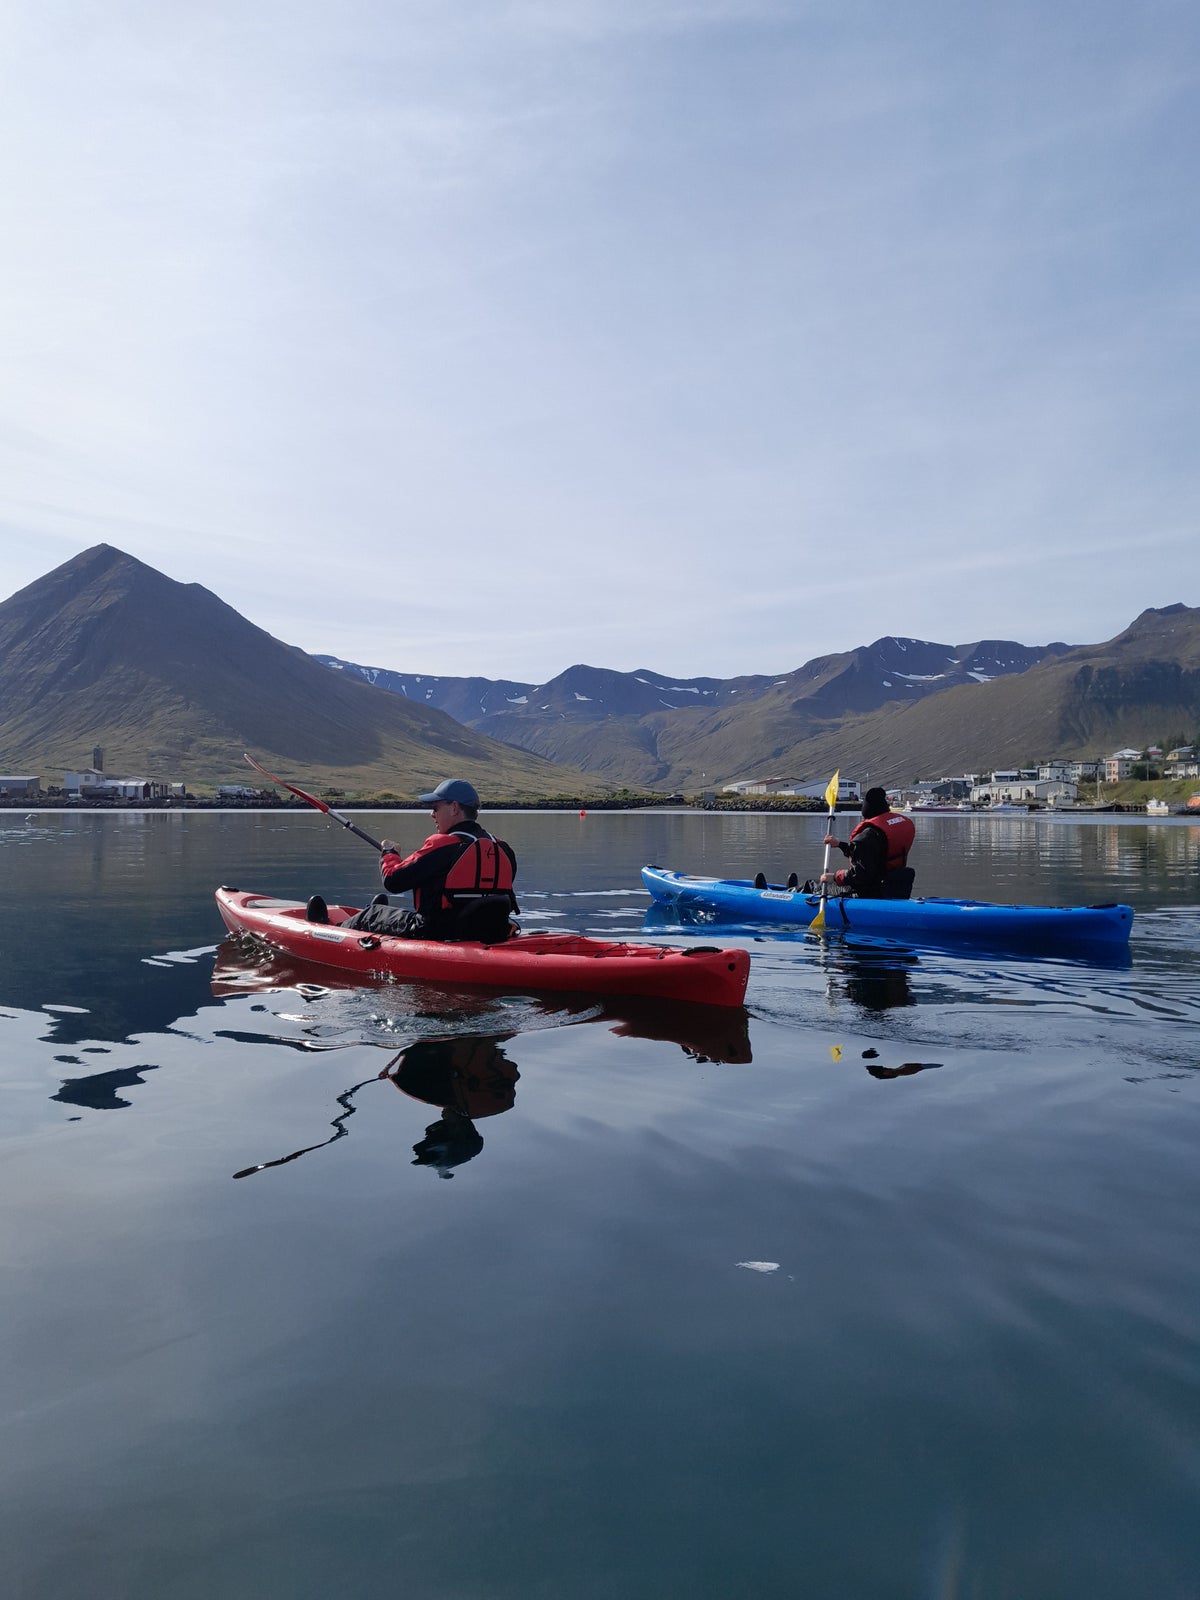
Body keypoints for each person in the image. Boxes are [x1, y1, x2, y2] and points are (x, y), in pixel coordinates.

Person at [313, 778, 518, 942]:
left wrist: (389, 853)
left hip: (437, 932)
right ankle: (378, 913)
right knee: (384, 911)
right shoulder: (503, 848)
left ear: (454, 808)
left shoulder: (444, 844)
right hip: (491, 931)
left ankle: (327, 932)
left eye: (435, 807)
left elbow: (393, 880)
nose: (431, 814)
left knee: (373, 915)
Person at [820, 786, 916, 899]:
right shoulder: (888, 829)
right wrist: (840, 844)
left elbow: (860, 876)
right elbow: (874, 854)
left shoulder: (867, 837)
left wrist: (835, 876)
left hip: (868, 893)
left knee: (815, 886)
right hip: (895, 888)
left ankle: (796, 894)